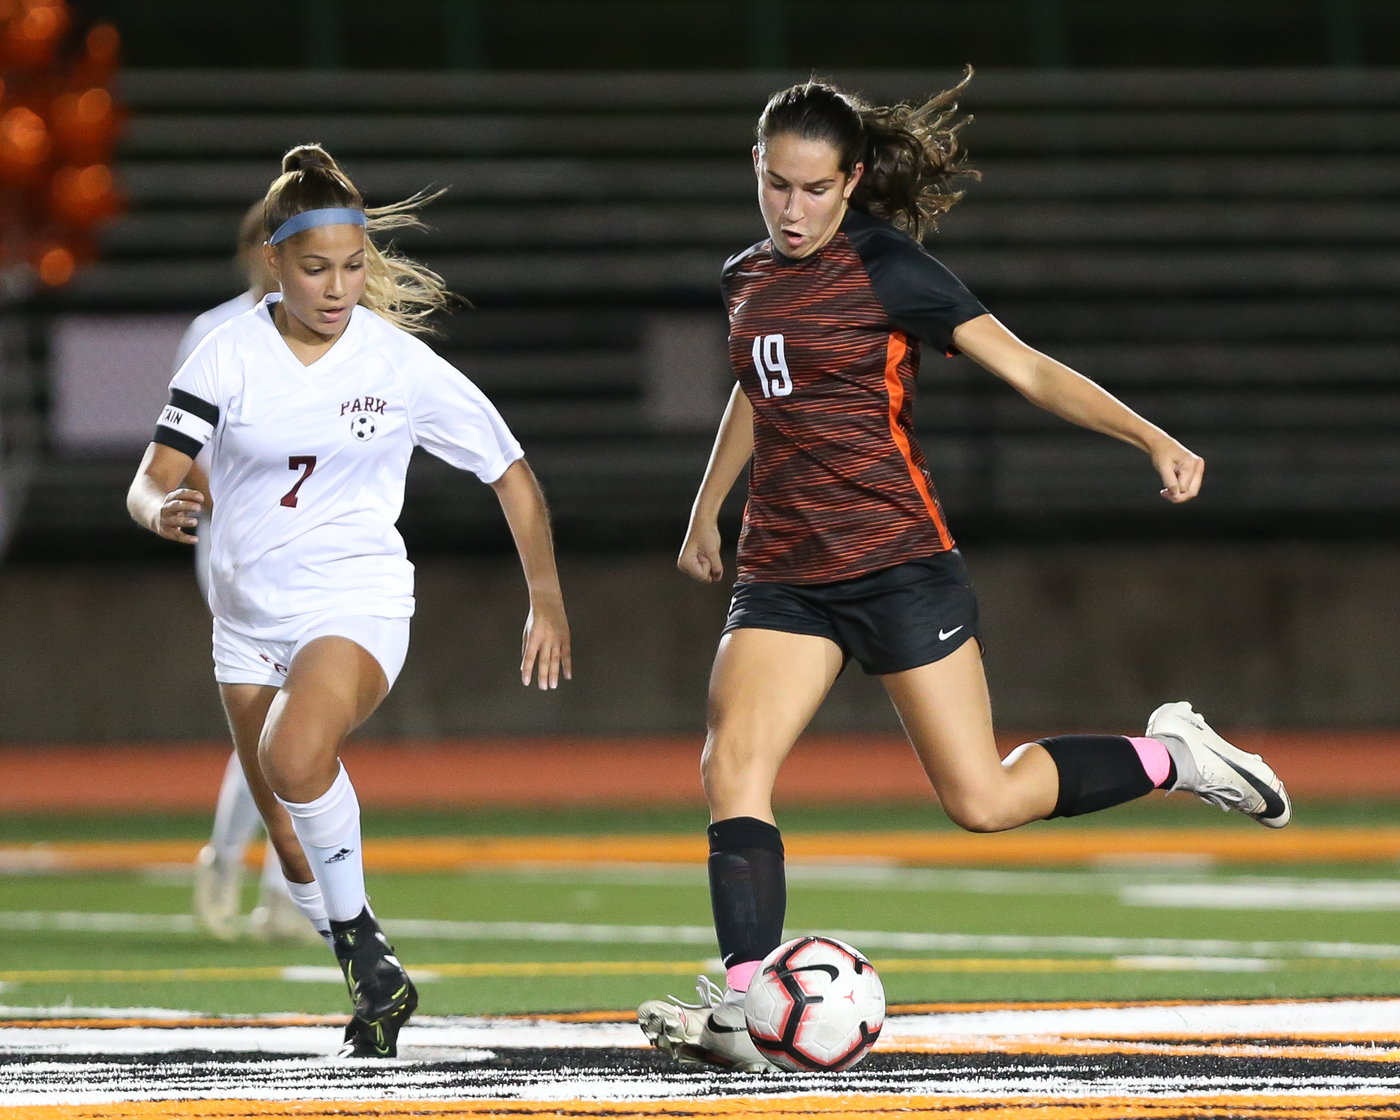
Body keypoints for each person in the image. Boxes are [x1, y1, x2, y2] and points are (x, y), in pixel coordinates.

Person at [636, 75, 1290, 1072]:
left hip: (898, 565)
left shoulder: (891, 271)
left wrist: (1148, 435)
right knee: (731, 764)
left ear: (850, 180)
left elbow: (1026, 367)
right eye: (776, 186)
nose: (792, 208)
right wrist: (705, 507)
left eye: (814, 188)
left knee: (979, 798)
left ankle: (1175, 757)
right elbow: (755, 385)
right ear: (755, 173)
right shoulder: (744, 276)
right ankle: (739, 1001)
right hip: (784, 571)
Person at [127, 144, 571, 1058]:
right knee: (290, 855)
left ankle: (366, 953)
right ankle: (375, 977)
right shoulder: (226, 353)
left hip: (357, 601)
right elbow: (150, 476)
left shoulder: (394, 362)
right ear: (275, 265)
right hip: (244, 622)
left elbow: (512, 472)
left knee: (296, 755)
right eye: (317, 268)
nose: (338, 288)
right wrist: (158, 507)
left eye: (353, 266)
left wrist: (547, 601)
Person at [182, 201, 309, 944]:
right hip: (241, 551)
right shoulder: (216, 333)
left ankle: (255, 872)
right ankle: (266, 877)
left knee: (294, 718)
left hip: (312, 553)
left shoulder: (334, 337)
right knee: (274, 716)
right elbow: (185, 447)